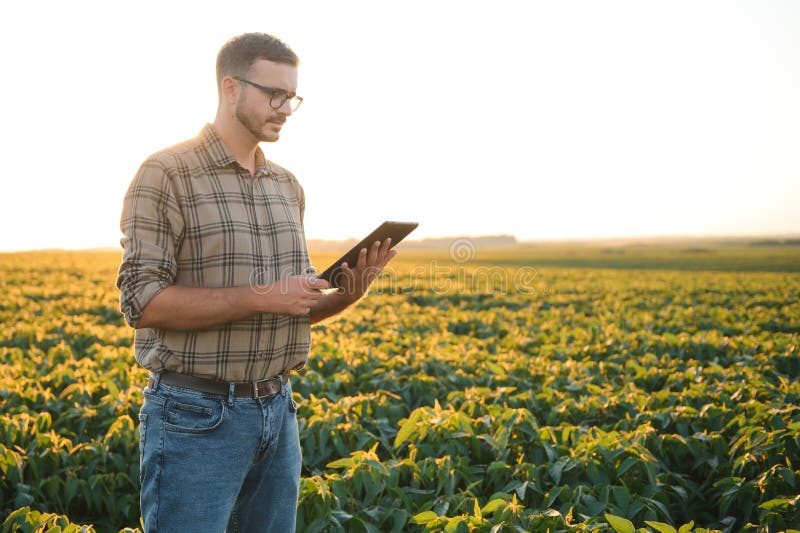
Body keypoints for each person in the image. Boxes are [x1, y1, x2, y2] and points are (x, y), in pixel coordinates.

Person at [116, 32, 396, 533]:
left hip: (278, 411)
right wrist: (264, 294)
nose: (286, 107)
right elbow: (142, 301)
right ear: (230, 88)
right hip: (195, 418)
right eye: (274, 94)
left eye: (293, 96)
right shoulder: (167, 174)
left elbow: (294, 306)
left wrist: (348, 295)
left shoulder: (286, 186)